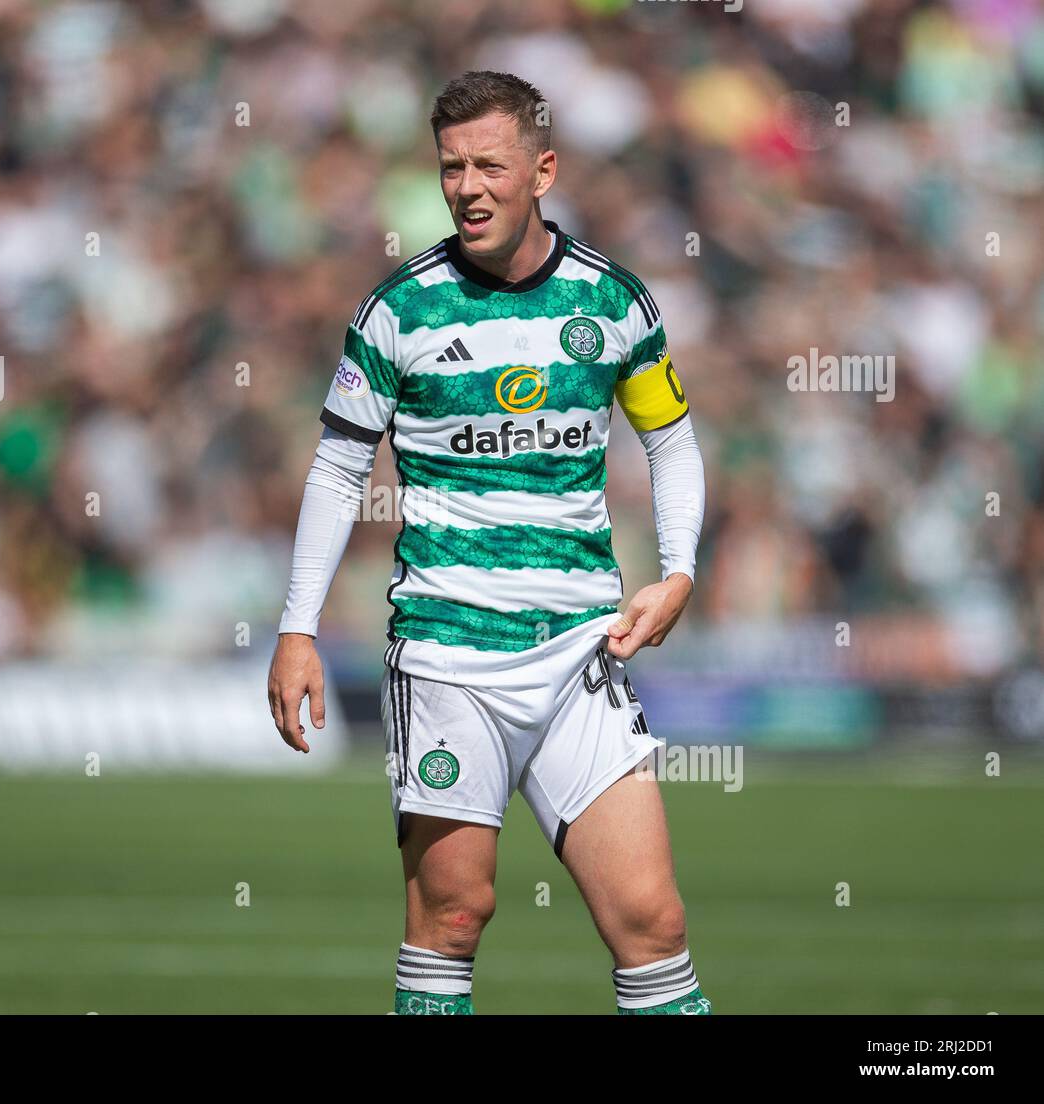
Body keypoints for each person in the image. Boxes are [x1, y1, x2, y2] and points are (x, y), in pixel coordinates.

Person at [268, 70, 709, 1015]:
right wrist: (298, 627)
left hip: (580, 653)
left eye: (489, 166)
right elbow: (337, 470)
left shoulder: (613, 303)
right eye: (451, 168)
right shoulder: (399, 311)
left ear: (542, 170)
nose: (467, 186)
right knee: (454, 916)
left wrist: (678, 575)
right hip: (447, 659)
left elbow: (670, 443)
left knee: (653, 922)